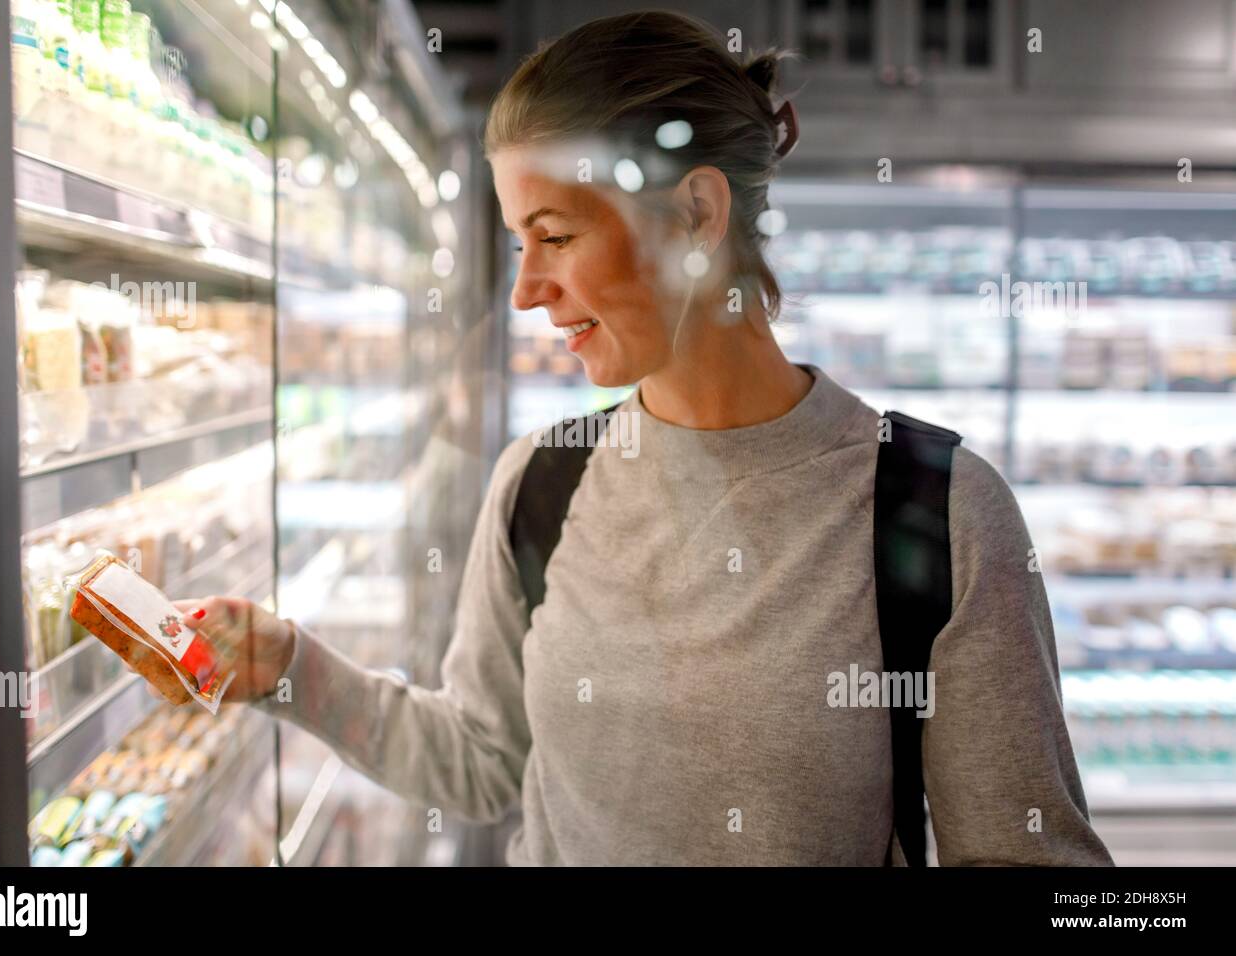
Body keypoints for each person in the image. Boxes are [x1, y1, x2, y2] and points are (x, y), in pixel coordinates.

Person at [172, 11, 1113, 866]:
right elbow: (485, 761)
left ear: (698, 215)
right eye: (517, 244)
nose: (524, 292)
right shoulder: (542, 483)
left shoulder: (938, 512)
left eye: (555, 236)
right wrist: (290, 671)